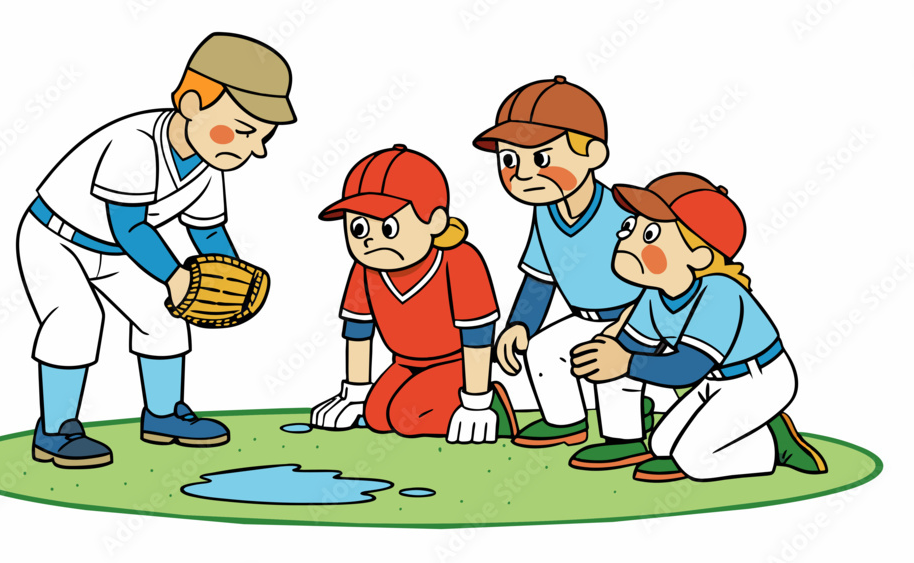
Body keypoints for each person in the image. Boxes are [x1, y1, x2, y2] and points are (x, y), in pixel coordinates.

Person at [18, 33, 296, 468]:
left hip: (119, 251)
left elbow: (207, 233)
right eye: (243, 131)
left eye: (263, 137)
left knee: (164, 316)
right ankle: (55, 429)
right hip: (56, 237)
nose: (254, 149)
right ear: (191, 103)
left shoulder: (207, 163)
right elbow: (128, 225)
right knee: (75, 320)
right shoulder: (137, 143)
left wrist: (234, 269)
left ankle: (163, 415)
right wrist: (176, 274)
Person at [571, 172, 827, 481]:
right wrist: (605, 354)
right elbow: (633, 344)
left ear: (698, 254)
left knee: (693, 460)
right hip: (716, 380)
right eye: (629, 227)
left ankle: (773, 446)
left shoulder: (720, 293)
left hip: (760, 378)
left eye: (649, 234)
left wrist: (625, 362)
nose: (626, 238)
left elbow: (687, 368)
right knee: (661, 445)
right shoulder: (654, 294)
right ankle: (758, 429)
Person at [472, 76, 676, 465]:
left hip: (645, 317)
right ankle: (566, 423)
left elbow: (657, 281)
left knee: (609, 363)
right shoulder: (545, 212)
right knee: (546, 351)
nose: (522, 173)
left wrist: (625, 331)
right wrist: (519, 326)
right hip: (586, 316)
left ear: (593, 154)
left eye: (541, 158)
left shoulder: (623, 211)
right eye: (509, 159)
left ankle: (624, 438)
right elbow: (540, 277)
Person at [310, 144, 517, 443]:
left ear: (435, 221)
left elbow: (478, 335)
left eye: (388, 227)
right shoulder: (366, 269)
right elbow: (358, 332)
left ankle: (496, 404)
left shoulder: (459, 261)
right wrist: (354, 393)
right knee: (376, 416)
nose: (369, 240)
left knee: (407, 418)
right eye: (357, 228)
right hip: (403, 362)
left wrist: (476, 401)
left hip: (454, 362)